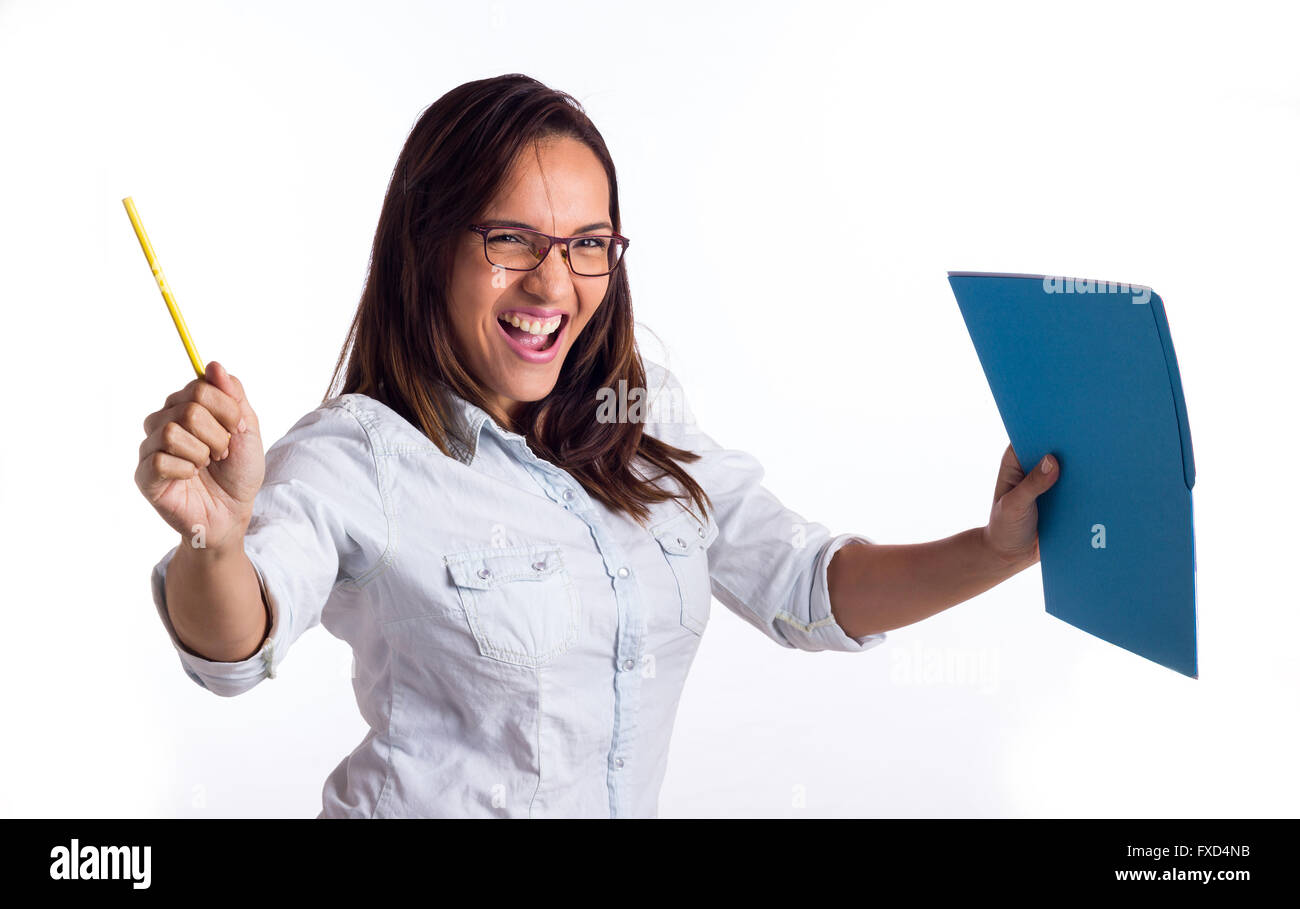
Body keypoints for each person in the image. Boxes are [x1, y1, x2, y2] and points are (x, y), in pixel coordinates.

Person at [135, 73, 1059, 819]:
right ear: (428, 243)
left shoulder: (639, 416)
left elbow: (807, 584)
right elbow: (234, 644)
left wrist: (998, 550)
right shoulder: (361, 454)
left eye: (588, 244)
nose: (554, 282)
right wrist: (211, 538)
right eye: (511, 239)